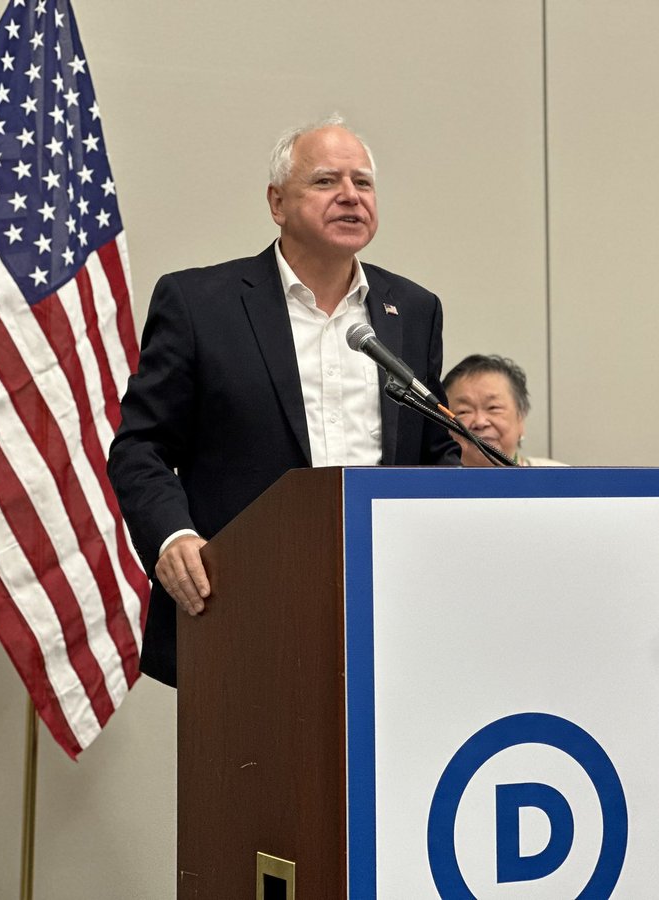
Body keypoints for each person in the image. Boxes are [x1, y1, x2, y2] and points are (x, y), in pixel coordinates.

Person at [108, 116, 460, 687]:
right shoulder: (201, 304)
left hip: (388, 605)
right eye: (326, 181)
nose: (350, 195)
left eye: (363, 183)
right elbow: (140, 448)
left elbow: (436, 450)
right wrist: (173, 538)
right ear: (277, 203)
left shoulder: (413, 311)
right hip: (243, 602)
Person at [442, 354, 565, 467]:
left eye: (493, 407)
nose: (480, 422)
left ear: (520, 419)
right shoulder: (430, 485)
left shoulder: (559, 480)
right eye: (464, 411)